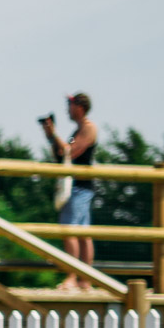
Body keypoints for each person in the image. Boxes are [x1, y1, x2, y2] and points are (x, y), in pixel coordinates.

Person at [42, 93, 99, 292]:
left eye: (70, 104)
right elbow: (61, 153)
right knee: (82, 232)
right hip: (78, 186)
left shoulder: (88, 128)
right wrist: (51, 136)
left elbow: (69, 152)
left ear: (80, 107)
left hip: (79, 187)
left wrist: (55, 134)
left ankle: (73, 277)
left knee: (71, 230)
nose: (67, 108)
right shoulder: (79, 129)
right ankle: (83, 280)